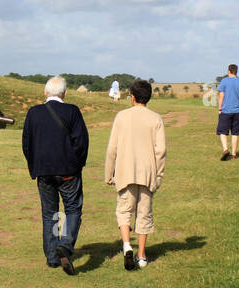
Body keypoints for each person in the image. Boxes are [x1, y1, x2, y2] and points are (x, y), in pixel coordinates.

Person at [21, 76, 89, 276]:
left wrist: (34, 165)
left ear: (45, 93)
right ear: (64, 93)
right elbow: (81, 142)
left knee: (49, 213)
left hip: (43, 171)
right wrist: (78, 164)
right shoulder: (72, 112)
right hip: (68, 171)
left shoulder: (33, 113)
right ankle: (65, 245)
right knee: (73, 209)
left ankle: (52, 256)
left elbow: (27, 144)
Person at [104, 80, 166, 270]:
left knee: (124, 210)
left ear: (132, 97)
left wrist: (109, 173)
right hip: (147, 173)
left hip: (125, 171)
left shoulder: (121, 116)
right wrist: (158, 176)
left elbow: (112, 148)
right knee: (144, 213)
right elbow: (160, 151)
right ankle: (141, 255)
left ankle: (126, 244)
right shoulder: (156, 118)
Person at [216, 63, 239, 160]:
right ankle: (233, 154)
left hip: (225, 110)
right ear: (236, 71)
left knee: (222, 131)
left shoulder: (224, 81)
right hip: (237, 111)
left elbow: (221, 95)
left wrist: (219, 108)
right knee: (235, 132)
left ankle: (225, 149)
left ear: (228, 71)